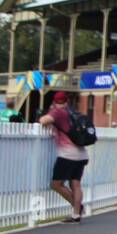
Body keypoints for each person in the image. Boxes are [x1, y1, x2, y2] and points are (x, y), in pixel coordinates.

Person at [39, 91, 88, 223]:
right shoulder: (73, 112)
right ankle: (76, 214)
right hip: (82, 154)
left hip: (67, 154)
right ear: (67, 101)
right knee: (75, 184)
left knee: (56, 184)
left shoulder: (58, 112)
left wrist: (50, 111)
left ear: (54, 101)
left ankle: (77, 207)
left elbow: (43, 121)